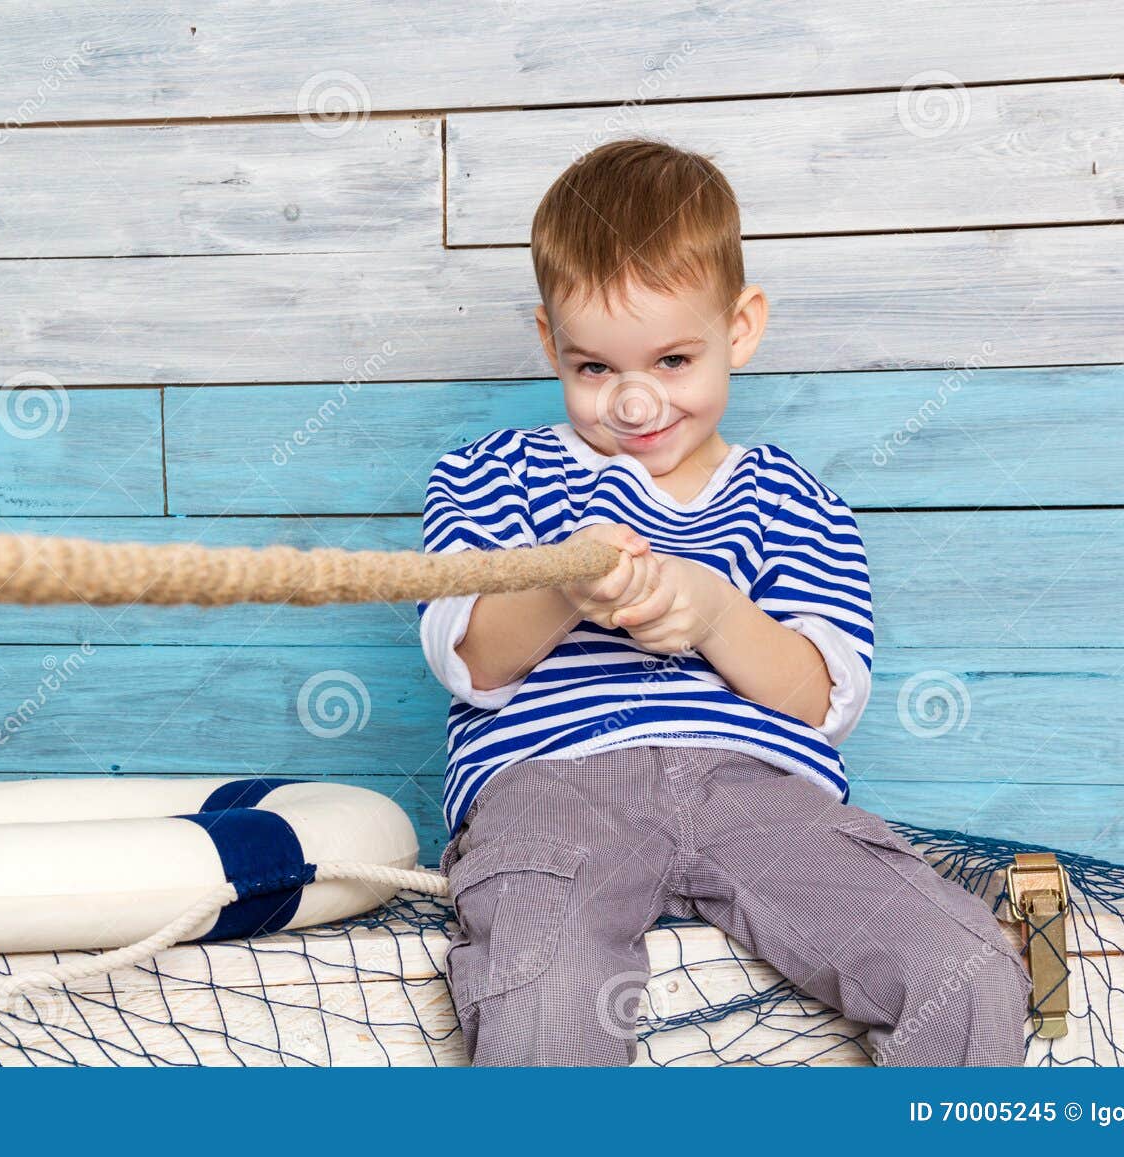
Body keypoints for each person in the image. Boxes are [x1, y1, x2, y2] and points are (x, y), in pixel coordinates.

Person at [417, 138, 1032, 1066]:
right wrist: (560, 587)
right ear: (550, 341)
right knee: (545, 993)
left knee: (969, 970)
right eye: (592, 368)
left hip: (756, 793)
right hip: (553, 786)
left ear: (740, 327)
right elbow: (465, 656)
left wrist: (714, 615)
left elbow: (822, 700)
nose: (633, 402)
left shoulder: (793, 499)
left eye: (671, 359)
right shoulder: (493, 475)